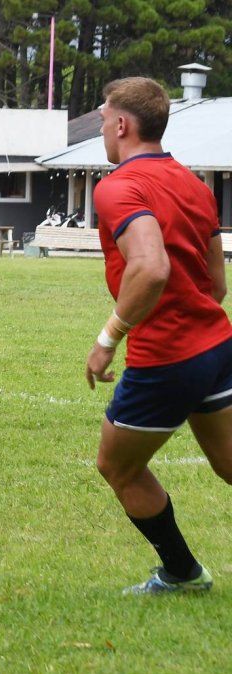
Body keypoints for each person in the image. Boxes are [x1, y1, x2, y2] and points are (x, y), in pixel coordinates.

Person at [86, 76, 232, 595]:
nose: (103, 127)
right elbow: (216, 284)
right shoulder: (193, 184)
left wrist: (109, 338)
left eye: (103, 118)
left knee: (117, 466)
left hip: (165, 355)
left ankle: (182, 573)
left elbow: (150, 268)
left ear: (122, 124)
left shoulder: (119, 186)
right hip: (216, 347)